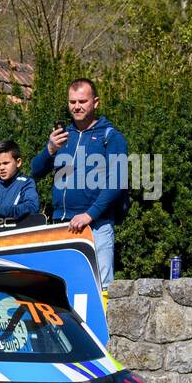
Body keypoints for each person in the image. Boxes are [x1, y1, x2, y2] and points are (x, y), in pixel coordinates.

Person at [30, 78, 128, 287]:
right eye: (72, 102)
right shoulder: (63, 136)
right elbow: (35, 171)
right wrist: (50, 149)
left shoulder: (111, 137)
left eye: (82, 101)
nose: (76, 107)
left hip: (96, 226)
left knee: (99, 288)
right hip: (61, 225)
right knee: (63, 288)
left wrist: (89, 215)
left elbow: (117, 182)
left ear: (96, 102)